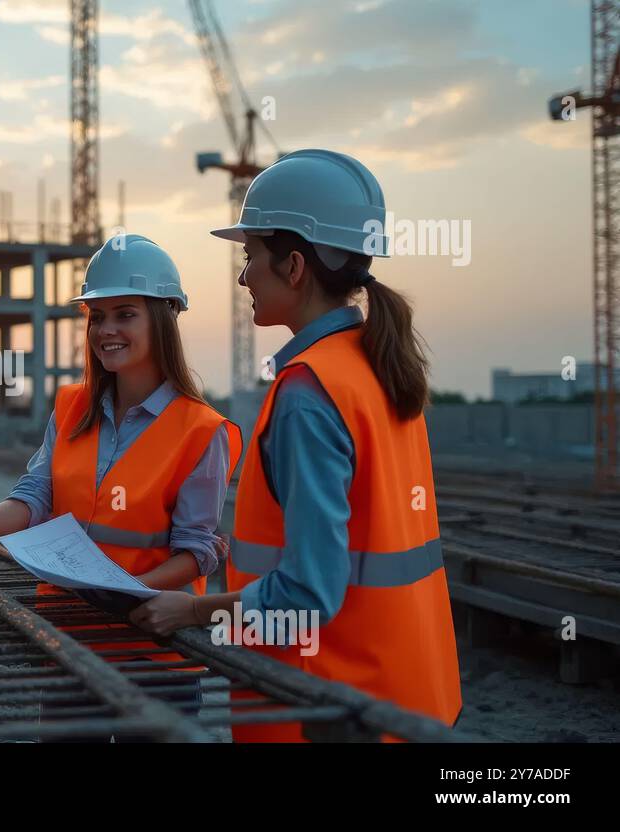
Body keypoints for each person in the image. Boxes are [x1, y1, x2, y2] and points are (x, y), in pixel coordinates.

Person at [128, 149, 462, 741]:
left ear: (296, 265)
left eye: (251, 255)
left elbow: (308, 593)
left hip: (324, 708)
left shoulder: (310, 392)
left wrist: (196, 610)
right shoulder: (374, 366)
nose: (242, 275)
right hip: (409, 700)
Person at [0, 233, 241, 657]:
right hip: (65, 638)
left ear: (162, 318)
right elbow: (35, 497)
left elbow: (197, 551)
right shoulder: (72, 407)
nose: (106, 330)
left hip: (147, 646)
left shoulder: (201, 430)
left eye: (125, 315)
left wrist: (130, 592)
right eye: (97, 316)